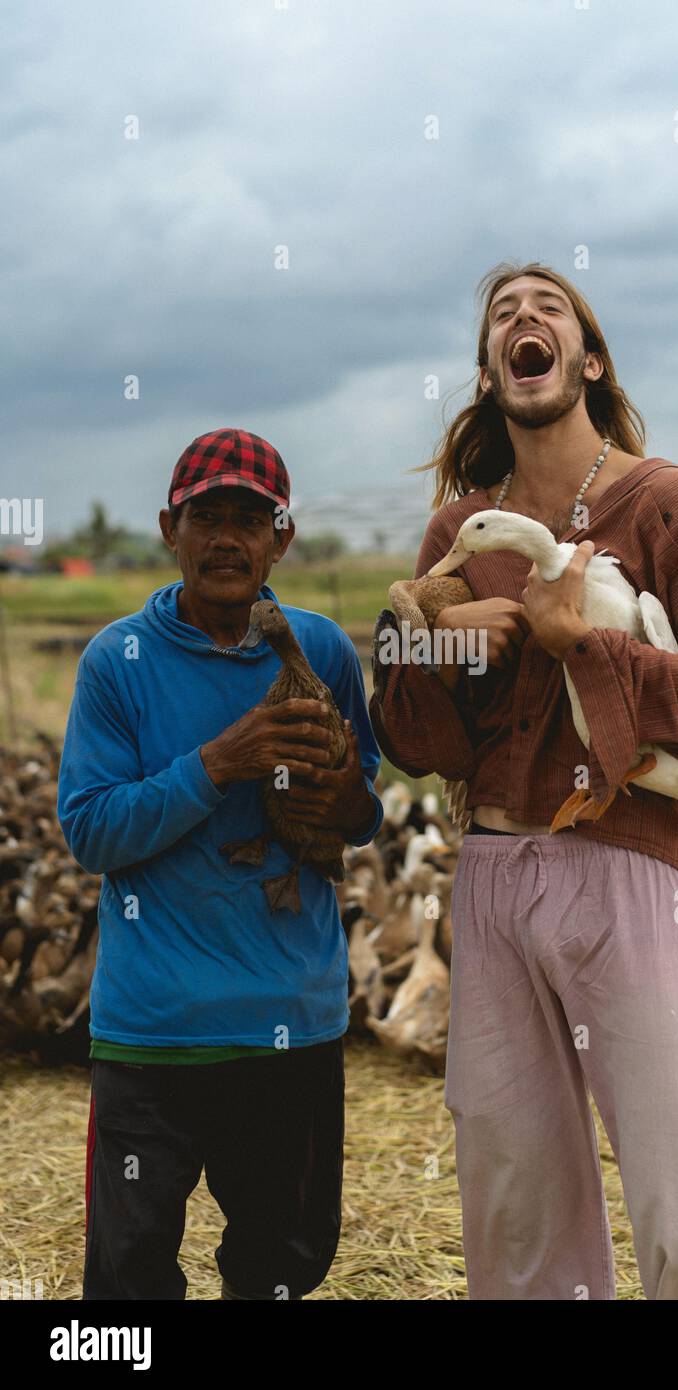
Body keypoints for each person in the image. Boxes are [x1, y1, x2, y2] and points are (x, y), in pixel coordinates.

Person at [370, 262, 678, 1300]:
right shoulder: (455, 537)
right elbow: (419, 745)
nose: (522, 319)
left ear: (585, 359)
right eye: (502, 314)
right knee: (518, 1232)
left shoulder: (666, 503)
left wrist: (581, 649)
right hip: (496, 876)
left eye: (545, 307)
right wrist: (423, 638)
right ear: (488, 371)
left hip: (633, 865)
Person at [57, 428, 383, 1300]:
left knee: (280, 1272)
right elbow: (90, 831)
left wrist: (342, 790)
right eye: (208, 517)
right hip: (151, 1038)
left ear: (282, 538)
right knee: (127, 1285)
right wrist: (220, 763)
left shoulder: (324, 654)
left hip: (290, 1028)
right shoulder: (117, 662)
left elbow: (362, 819)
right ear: (172, 528)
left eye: (251, 518)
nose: (227, 538)